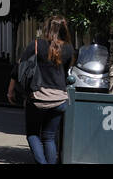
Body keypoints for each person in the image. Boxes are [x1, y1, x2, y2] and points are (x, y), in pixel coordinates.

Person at [7, 14, 75, 165]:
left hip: (38, 97)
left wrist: (10, 90)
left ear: (47, 27)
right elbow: (67, 72)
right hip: (59, 99)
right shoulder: (69, 49)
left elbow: (19, 67)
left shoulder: (36, 45)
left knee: (32, 133)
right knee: (49, 137)